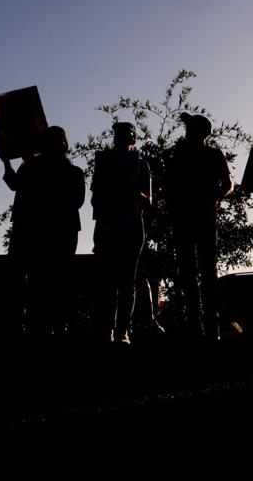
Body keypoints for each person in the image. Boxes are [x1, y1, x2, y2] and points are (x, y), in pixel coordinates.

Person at [0, 127, 86, 337]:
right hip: (39, 230)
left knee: (53, 279)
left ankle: (53, 323)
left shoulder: (70, 172)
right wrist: (7, 161)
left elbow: (77, 201)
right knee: (38, 280)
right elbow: (14, 184)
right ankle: (38, 324)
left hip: (57, 231)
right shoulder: (31, 167)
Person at [164, 113, 233, 339]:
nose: (187, 132)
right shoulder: (179, 155)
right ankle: (196, 325)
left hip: (204, 218)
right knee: (190, 272)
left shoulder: (213, 155)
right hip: (185, 218)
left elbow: (228, 184)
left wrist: (216, 195)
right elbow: (169, 186)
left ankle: (209, 326)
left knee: (207, 270)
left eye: (191, 128)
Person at [91, 122, 153, 344]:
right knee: (107, 281)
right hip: (108, 224)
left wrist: (134, 191)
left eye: (126, 134)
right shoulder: (104, 162)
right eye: (118, 134)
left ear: (133, 138)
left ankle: (122, 330)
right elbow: (95, 198)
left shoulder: (141, 164)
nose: (121, 138)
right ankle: (106, 329)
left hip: (132, 225)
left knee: (127, 281)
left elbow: (149, 200)